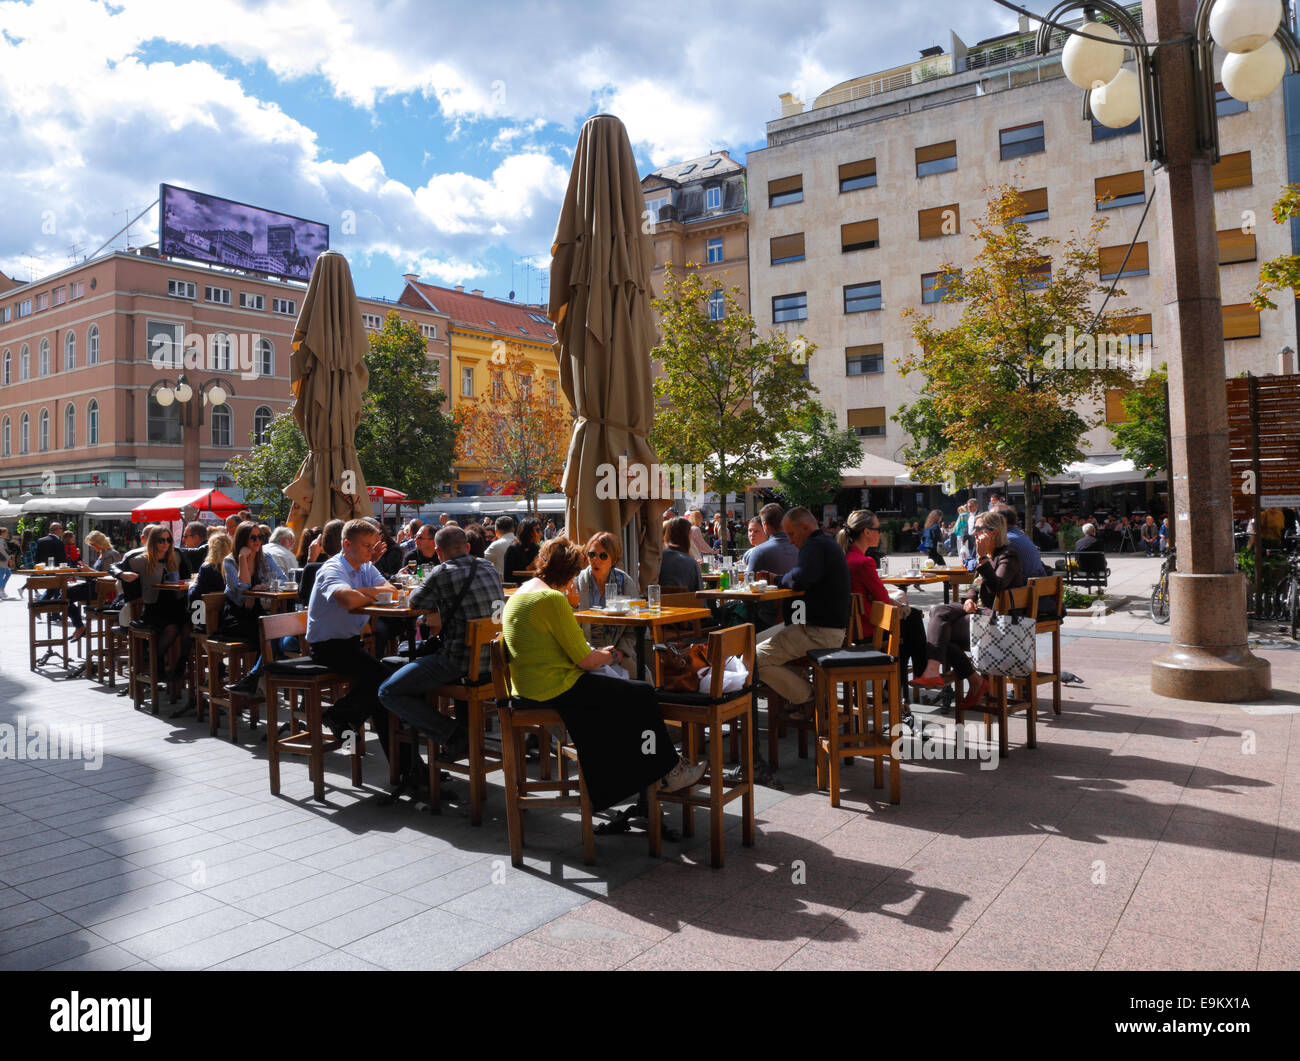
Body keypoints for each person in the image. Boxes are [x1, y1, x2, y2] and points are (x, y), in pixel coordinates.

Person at [502, 537, 703, 810]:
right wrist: (610, 655)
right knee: (642, 693)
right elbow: (585, 660)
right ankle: (670, 771)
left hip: (527, 686)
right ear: (570, 573)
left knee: (624, 695)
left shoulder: (522, 592)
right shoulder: (550, 599)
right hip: (553, 687)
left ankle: (653, 771)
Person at [378, 525, 504, 775]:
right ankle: (454, 735)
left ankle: (453, 734)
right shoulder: (489, 567)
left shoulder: (442, 572)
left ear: (437, 552)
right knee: (412, 671)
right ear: (467, 547)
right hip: (497, 662)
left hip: (459, 663)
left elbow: (415, 603)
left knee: (388, 691)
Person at [306, 518, 410, 775]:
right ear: (346, 544)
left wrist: (363, 589)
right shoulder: (332, 568)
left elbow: (391, 590)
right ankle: (405, 768)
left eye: (373, 545)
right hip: (327, 647)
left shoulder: (364, 567)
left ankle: (404, 768)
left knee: (386, 689)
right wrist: (368, 592)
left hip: (351, 644)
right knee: (387, 684)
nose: (371, 551)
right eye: (366, 545)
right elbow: (347, 599)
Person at [753, 507, 851, 742]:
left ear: (805, 527)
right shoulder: (825, 543)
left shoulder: (815, 545)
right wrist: (783, 578)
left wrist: (775, 579)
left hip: (818, 632)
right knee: (751, 642)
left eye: (792, 534)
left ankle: (809, 698)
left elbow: (799, 578)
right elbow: (799, 575)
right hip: (817, 627)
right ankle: (798, 687)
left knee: (753, 659)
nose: (790, 541)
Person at [914, 511, 1024, 711]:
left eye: (978, 528)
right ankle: (941, 672)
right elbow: (975, 586)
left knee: (941, 633)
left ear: (993, 533)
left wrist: (981, 559)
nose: (973, 532)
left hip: (996, 620)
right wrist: (969, 600)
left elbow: (997, 586)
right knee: (938, 612)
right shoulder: (988, 556)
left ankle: (972, 681)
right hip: (979, 613)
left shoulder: (1008, 556)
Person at [839, 509, 928, 700]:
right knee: (911, 619)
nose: (881, 532)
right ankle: (921, 672)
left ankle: (897, 686)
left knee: (906, 628)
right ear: (867, 532)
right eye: (878, 529)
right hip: (867, 627)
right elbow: (881, 597)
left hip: (850, 627)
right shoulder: (863, 562)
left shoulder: (845, 558)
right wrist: (899, 602)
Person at [110, 524, 192, 686]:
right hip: (154, 607)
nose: (165, 544)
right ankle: (157, 660)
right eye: (161, 540)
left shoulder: (176, 555)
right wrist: (123, 574)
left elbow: (191, 568)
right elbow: (113, 567)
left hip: (176, 604)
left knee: (189, 627)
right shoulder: (140, 559)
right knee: (172, 628)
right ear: (153, 541)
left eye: (168, 540)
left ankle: (181, 663)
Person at [221, 521, 289, 695]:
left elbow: (281, 579)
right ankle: (262, 683)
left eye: (260, 537)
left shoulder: (265, 557)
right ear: (243, 539)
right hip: (235, 617)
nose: (258, 541)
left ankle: (253, 680)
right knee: (269, 635)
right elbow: (243, 588)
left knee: (274, 632)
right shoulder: (230, 561)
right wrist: (243, 559)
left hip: (256, 614)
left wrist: (260, 588)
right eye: (253, 537)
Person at [574, 532, 638, 677]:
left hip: (616, 650)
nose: (595, 560)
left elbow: (633, 628)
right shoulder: (577, 583)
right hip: (584, 652)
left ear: (613, 560)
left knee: (642, 681)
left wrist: (621, 651)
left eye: (602, 556)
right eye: (592, 555)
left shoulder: (625, 583)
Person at [66, 530, 122, 638]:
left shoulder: (110, 554)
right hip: (96, 586)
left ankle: (79, 626)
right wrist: (87, 570)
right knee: (65, 594)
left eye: (92, 545)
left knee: (66, 594)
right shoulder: (104, 553)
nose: (92, 547)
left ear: (99, 543)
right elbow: (99, 574)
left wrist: (88, 570)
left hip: (101, 590)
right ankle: (79, 626)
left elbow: (107, 576)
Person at [187, 532, 231, 634]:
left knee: (184, 619)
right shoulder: (233, 565)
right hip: (226, 617)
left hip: (207, 621)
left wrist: (192, 586)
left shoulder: (207, 567)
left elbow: (195, 595)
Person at [745, 503, 799, 579]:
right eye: (749, 531)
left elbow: (749, 581)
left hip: (771, 589)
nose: (752, 534)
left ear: (765, 526)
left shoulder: (759, 551)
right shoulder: (801, 547)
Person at [299, 519, 344, 607]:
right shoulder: (356, 567)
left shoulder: (313, 568)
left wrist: (310, 560)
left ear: (323, 542)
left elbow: (303, 596)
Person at [659, 517, 702, 592]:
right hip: (685, 603)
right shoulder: (691, 563)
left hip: (658, 602)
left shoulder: (656, 558)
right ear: (687, 536)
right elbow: (700, 596)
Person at [0, 527, 12, 600]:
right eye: (6, 532)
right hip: (1, 561)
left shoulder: (2, 539)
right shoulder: (0, 540)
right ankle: (1, 591)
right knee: (1, 576)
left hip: (3, 561)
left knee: (8, 573)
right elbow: (1, 550)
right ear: (2, 533)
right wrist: (8, 558)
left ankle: (2, 589)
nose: (7, 534)